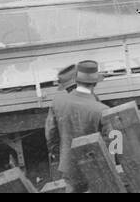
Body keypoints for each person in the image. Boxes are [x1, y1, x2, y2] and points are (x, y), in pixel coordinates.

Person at [44, 60, 111, 193]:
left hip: (69, 165)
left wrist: (62, 154)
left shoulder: (57, 103)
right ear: (94, 83)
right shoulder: (102, 109)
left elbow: (50, 135)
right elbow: (115, 142)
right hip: (96, 166)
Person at [44, 64, 78, 171]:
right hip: (93, 154)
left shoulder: (56, 104)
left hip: (69, 157)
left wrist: (55, 152)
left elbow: (50, 133)